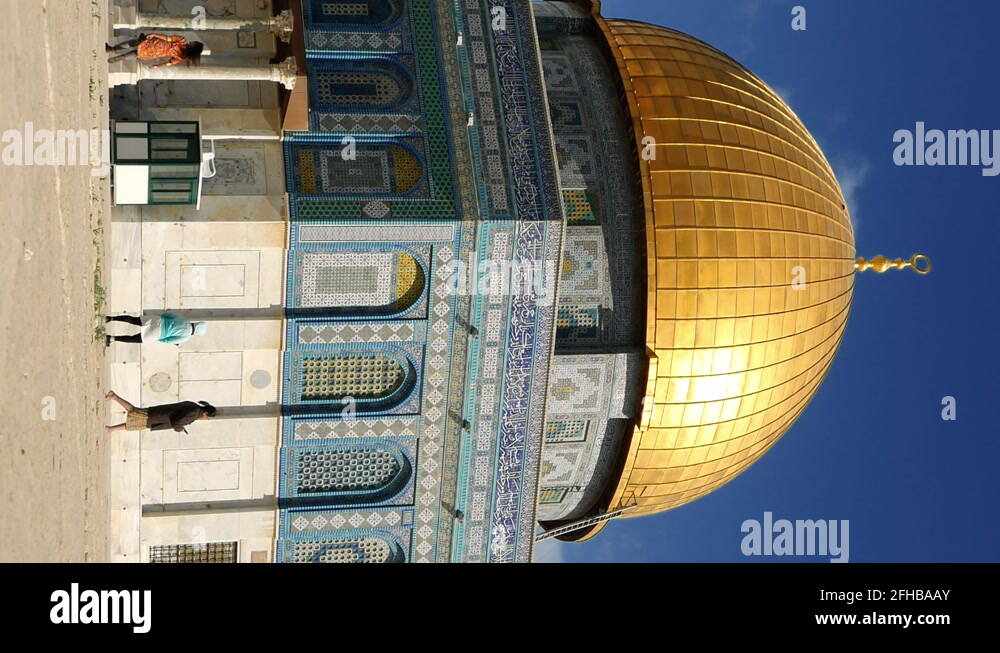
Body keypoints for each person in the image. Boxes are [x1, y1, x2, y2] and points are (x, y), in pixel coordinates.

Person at [105, 392, 217, 434]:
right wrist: (180, 428)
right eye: (207, 418)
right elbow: (177, 421)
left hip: (157, 415)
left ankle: (111, 429)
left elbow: (179, 417)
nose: (206, 419)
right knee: (133, 411)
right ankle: (114, 396)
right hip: (156, 417)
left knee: (135, 424)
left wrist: (182, 425)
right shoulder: (194, 413)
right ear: (206, 414)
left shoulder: (193, 406)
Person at [104, 312, 208, 347]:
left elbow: (169, 314)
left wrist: (160, 318)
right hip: (158, 333)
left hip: (158, 320)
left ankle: (110, 318)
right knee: (135, 339)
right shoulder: (186, 337)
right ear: (196, 333)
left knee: (134, 320)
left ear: (196, 323)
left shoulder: (185, 320)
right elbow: (169, 341)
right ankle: (111, 338)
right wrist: (159, 339)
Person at [106, 33, 204, 67]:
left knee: (133, 43)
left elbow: (167, 38)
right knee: (136, 54)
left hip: (155, 43)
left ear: (194, 46)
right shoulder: (182, 57)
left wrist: (155, 35)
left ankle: (112, 49)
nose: (192, 42)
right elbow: (169, 63)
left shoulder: (182, 40)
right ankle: (118, 58)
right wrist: (157, 66)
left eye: (194, 43)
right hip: (156, 53)